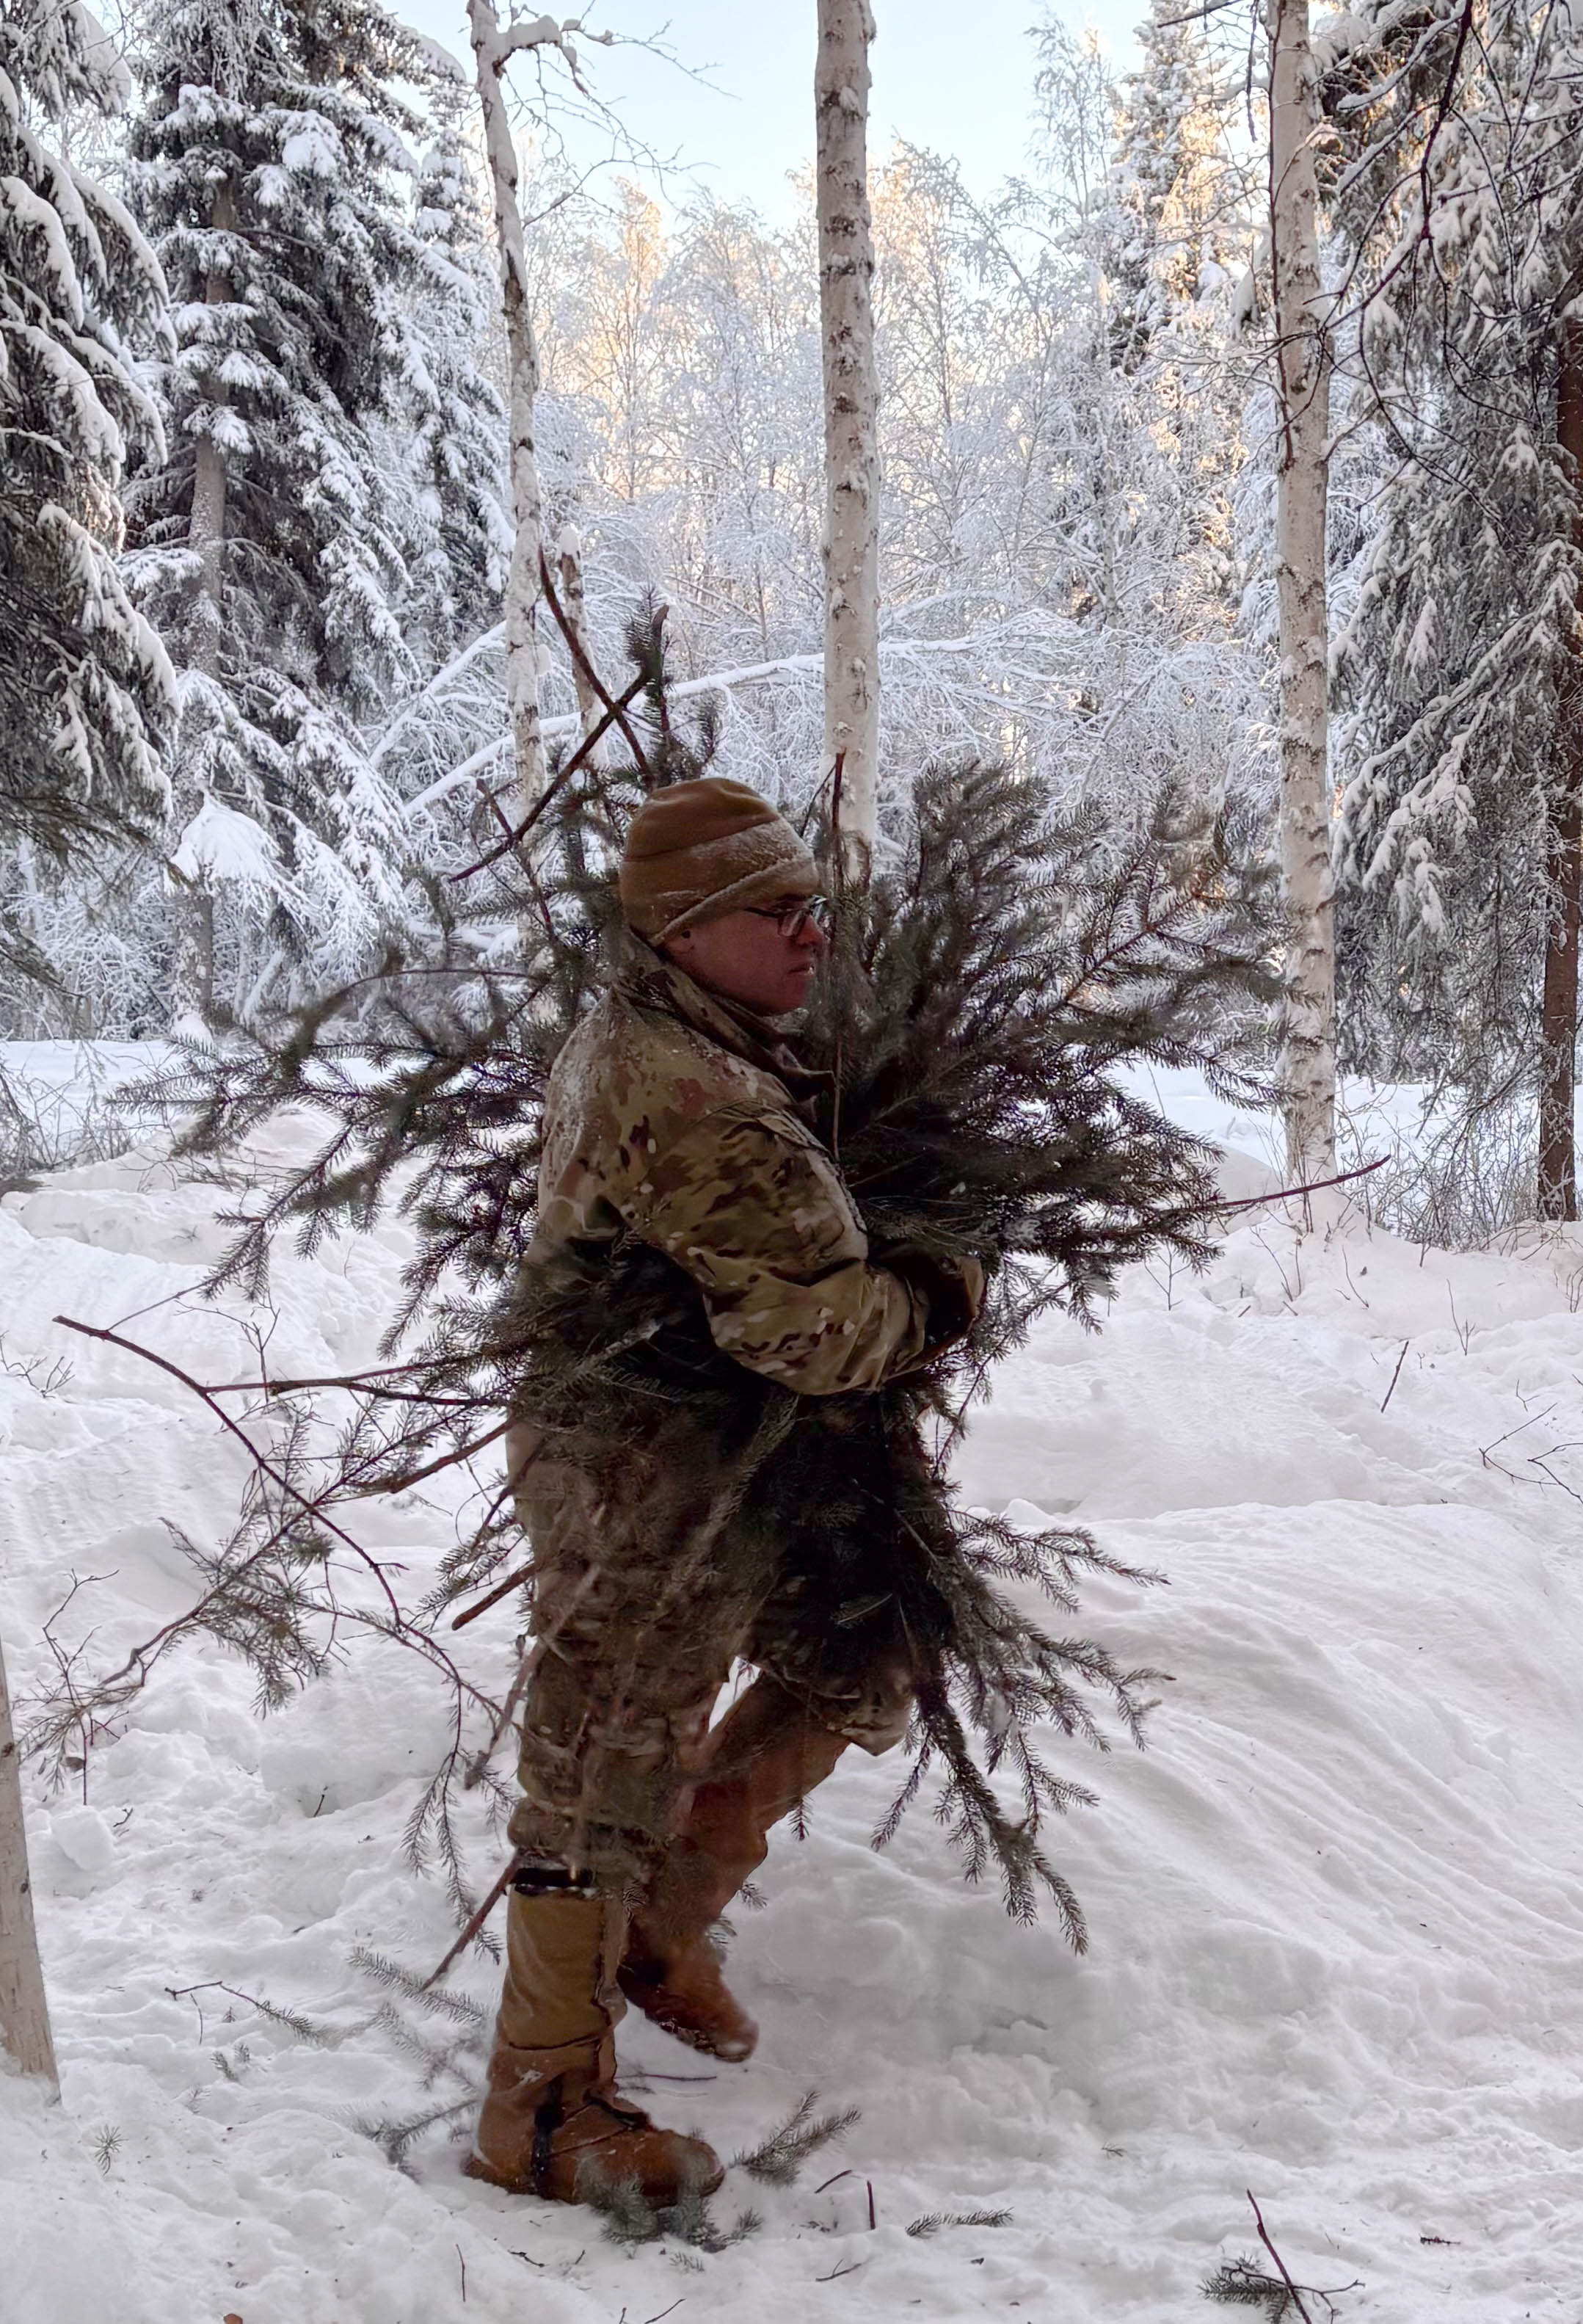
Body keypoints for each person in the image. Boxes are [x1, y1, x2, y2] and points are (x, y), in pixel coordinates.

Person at [463, 777, 984, 2207]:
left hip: (727, 1463)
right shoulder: (686, 1090)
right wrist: (938, 1289)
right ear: (685, 930)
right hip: (636, 1472)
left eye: (817, 904)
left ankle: (665, 1916)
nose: (813, 934)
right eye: (778, 911)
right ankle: (545, 2108)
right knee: (597, 1762)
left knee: (862, 1645)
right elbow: (809, 1330)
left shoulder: (695, 1042)